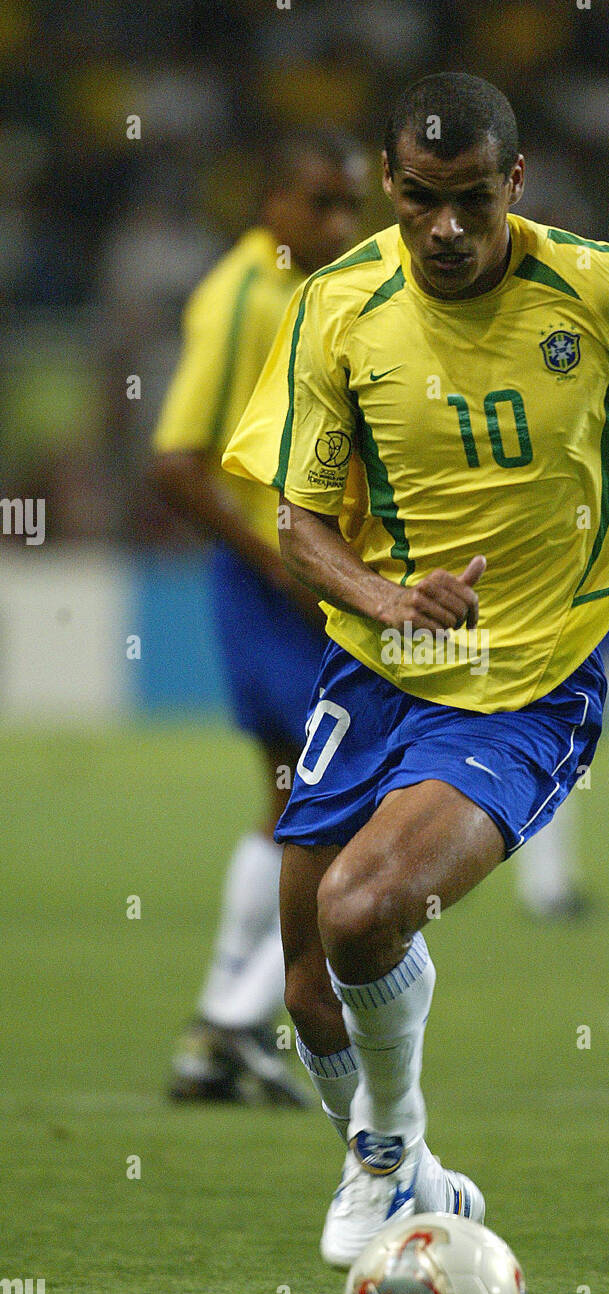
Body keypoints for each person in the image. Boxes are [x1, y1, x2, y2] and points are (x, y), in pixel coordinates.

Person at [222, 72, 609, 1262]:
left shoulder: (606, 287)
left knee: (362, 911)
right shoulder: (339, 305)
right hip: (373, 672)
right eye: (416, 201)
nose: (443, 229)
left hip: (525, 681)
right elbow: (298, 522)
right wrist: (390, 598)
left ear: (515, 182)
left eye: (468, 201)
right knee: (303, 991)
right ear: (389, 189)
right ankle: (416, 1176)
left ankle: (388, 1158)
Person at [150, 127, 367, 1103]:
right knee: (327, 802)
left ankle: (221, 1033)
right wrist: (274, 562)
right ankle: (232, 1020)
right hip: (275, 581)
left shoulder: (312, 290)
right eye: (320, 202)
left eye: (350, 204)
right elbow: (176, 463)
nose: (340, 223)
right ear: (271, 201)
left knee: (294, 801)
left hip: (307, 575)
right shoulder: (240, 296)